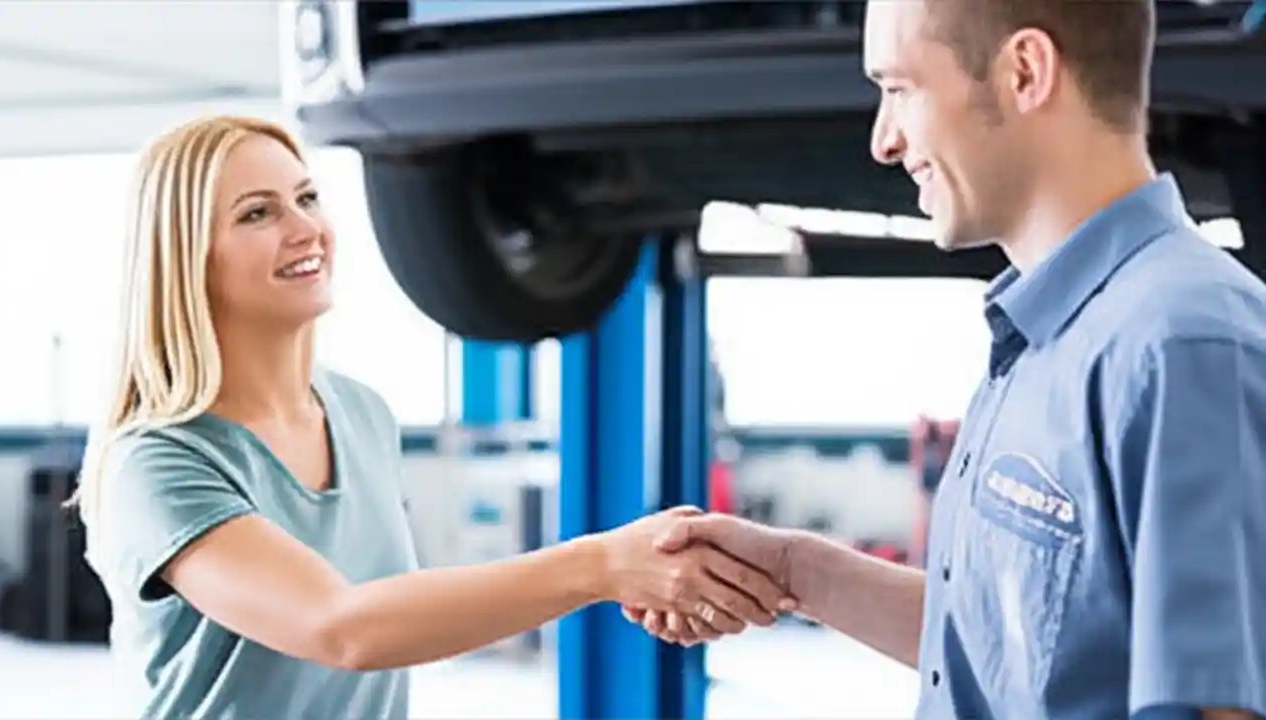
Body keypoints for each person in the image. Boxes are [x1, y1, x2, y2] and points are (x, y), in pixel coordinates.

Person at [627, 1, 1266, 718]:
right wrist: (790, 569)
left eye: (900, 89)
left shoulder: (1184, 347)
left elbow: (1223, 703)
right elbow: (997, 642)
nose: (884, 141)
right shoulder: (1042, 334)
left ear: (1025, 71)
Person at [70, 115, 794, 720]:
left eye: (307, 197)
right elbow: (344, 627)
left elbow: (402, 618)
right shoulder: (158, 462)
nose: (305, 228)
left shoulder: (358, 413)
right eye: (257, 213)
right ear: (188, 258)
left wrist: (641, 576)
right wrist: (603, 566)